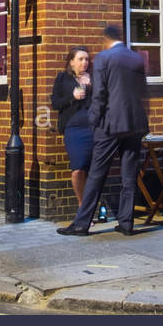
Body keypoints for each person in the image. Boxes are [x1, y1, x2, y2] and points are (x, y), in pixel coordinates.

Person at [58, 24, 150, 237]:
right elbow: (144, 94)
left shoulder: (104, 58)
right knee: (129, 177)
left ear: (107, 39)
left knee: (96, 176)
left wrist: (93, 120)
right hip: (135, 125)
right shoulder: (136, 58)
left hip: (110, 125)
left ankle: (82, 224)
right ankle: (126, 223)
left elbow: (99, 95)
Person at [51, 46, 105, 216]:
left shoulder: (94, 79)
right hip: (74, 129)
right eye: (81, 59)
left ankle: (93, 208)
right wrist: (72, 97)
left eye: (87, 59)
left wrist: (92, 88)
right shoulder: (62, 78)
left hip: (93, 128)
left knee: (93, 169)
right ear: (71, 62)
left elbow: (104, 101)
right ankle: (83, 208)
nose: (84, 62)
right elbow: (56, 104)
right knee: (78, 168)